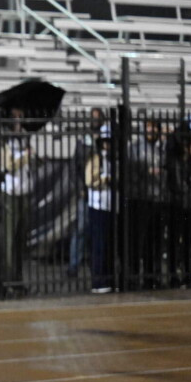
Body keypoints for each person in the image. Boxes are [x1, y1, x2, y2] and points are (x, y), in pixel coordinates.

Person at [127, 119, 169, 289]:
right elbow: (131, 172)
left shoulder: (161, 149)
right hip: (141, 199)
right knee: (139, 241)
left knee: (155, 241)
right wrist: (148, 171)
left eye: (154, 128)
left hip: (158, 199)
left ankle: (153, 276)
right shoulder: (136, 148)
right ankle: (134, 277)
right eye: (148, 128)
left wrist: (161, 174)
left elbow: (167, 171)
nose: (151, 131)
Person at [68, 108, 105, 278]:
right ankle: (74, 265)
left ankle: (94, 263)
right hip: (86, 191)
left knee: (97, 229)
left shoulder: (105, 139)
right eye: (93, 118)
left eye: (97, 118)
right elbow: (75, 167)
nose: (95, 121)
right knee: (81, 228)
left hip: (101, 190)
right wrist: (80, 188)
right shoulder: (83, 141)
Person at [0, 108, 33, 295]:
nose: (19, 121)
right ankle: (8, 280)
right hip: (10, 193)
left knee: (21, 240)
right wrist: (27, 156)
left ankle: (18, 279)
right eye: (15, 118)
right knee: (9, 240)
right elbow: (9, 165)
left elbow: (26, 163)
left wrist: (35, 158)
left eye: (21, 117)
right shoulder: (5, 140)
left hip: (24, 191)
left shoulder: (25, 138)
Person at [86, 125, 115, 293]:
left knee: (110, 244)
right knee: (99, 244)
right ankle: (98, 281)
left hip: (112, 205)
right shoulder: (95, 157)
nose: (108, 145)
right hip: (98, 205)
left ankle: (109, 278)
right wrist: (105, 179)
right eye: (105, 141)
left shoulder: (114, 157)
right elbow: (90, 180)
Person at [168, 127, 191, 287]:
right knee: (175, 241)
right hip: (177, 205)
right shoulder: (174, 160)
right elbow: (177, 184)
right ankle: (174, 274)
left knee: (188, 241)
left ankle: (187, 273)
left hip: (190, 205)